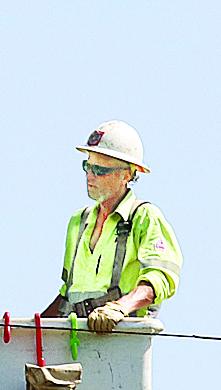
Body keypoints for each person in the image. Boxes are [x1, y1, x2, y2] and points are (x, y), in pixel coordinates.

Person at [43, 121, 181, 332]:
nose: (90, 176)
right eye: (87, 166)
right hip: (76, 339)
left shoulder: (143, 217)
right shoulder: (79, 222)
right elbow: (68, 294)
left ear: (127, 174)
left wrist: (120, 307)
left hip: (123, 341)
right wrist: (27, 333)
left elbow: (160, 277)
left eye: (100, 170)